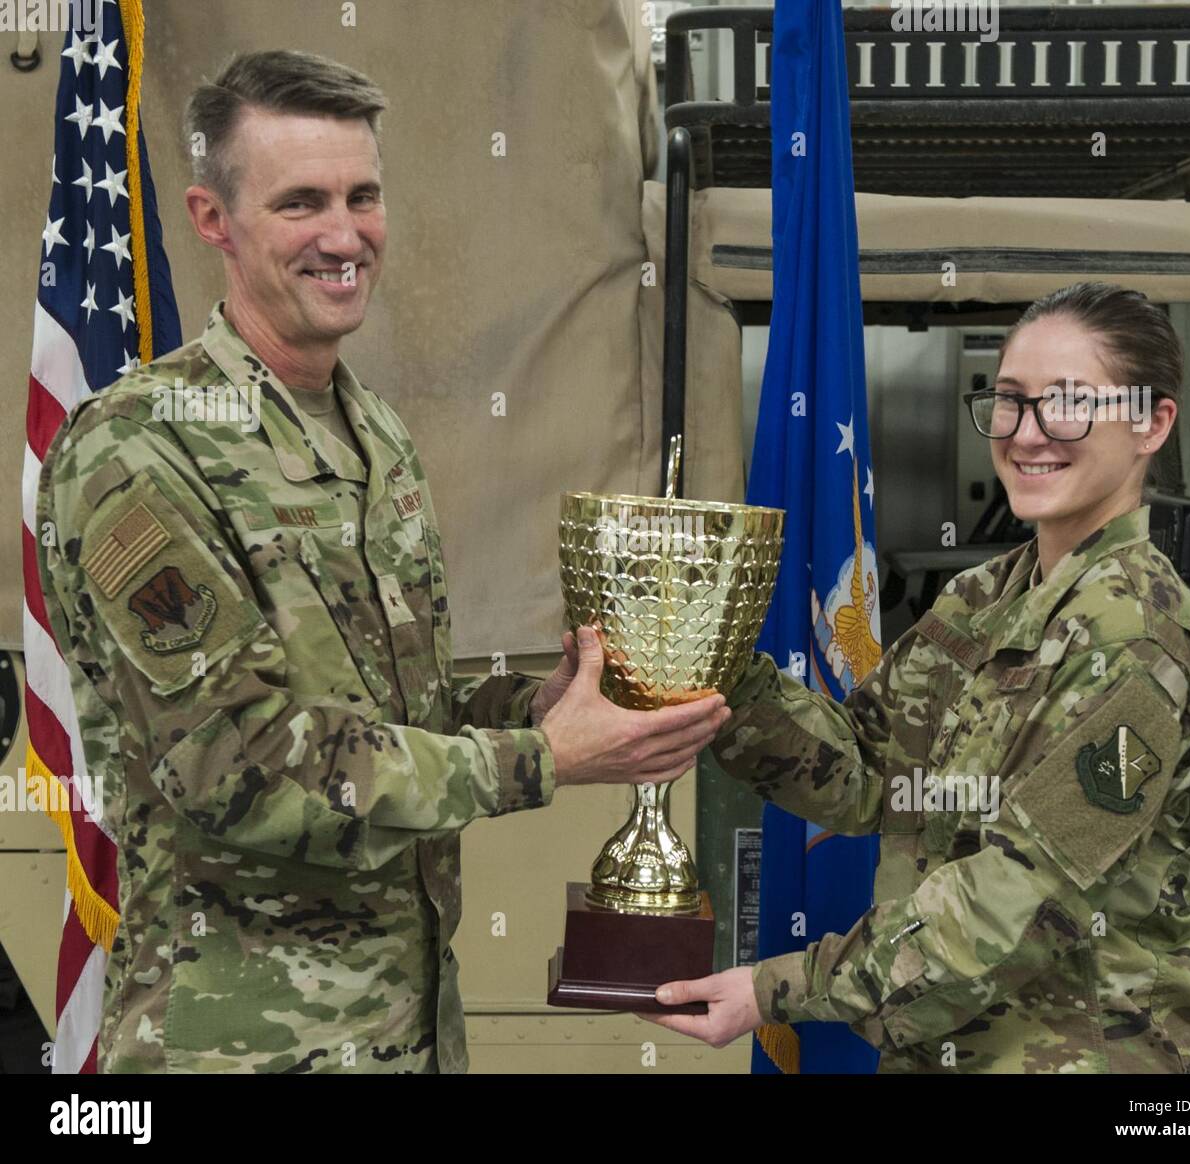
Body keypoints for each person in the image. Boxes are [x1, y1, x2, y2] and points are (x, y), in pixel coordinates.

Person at [35, 50, 728, 1073]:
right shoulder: (137, 449)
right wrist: (542, 759)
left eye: (363, 196)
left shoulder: (375, 435)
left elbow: (392, 713)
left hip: (410, 1034)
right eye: (300, 203)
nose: (343, 235)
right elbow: (239, 767)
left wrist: (534, 709)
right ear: (212, 218)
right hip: (240, 1051)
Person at [646, 282, 1190, 1074]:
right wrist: (706, 671)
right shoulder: (986, 597)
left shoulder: (1138, 641)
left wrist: (777, 988)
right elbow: (866, 769)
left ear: (1152, 423)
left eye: (1068, 404)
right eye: (1009, 401)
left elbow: (1019, 898)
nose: (1027, 434)